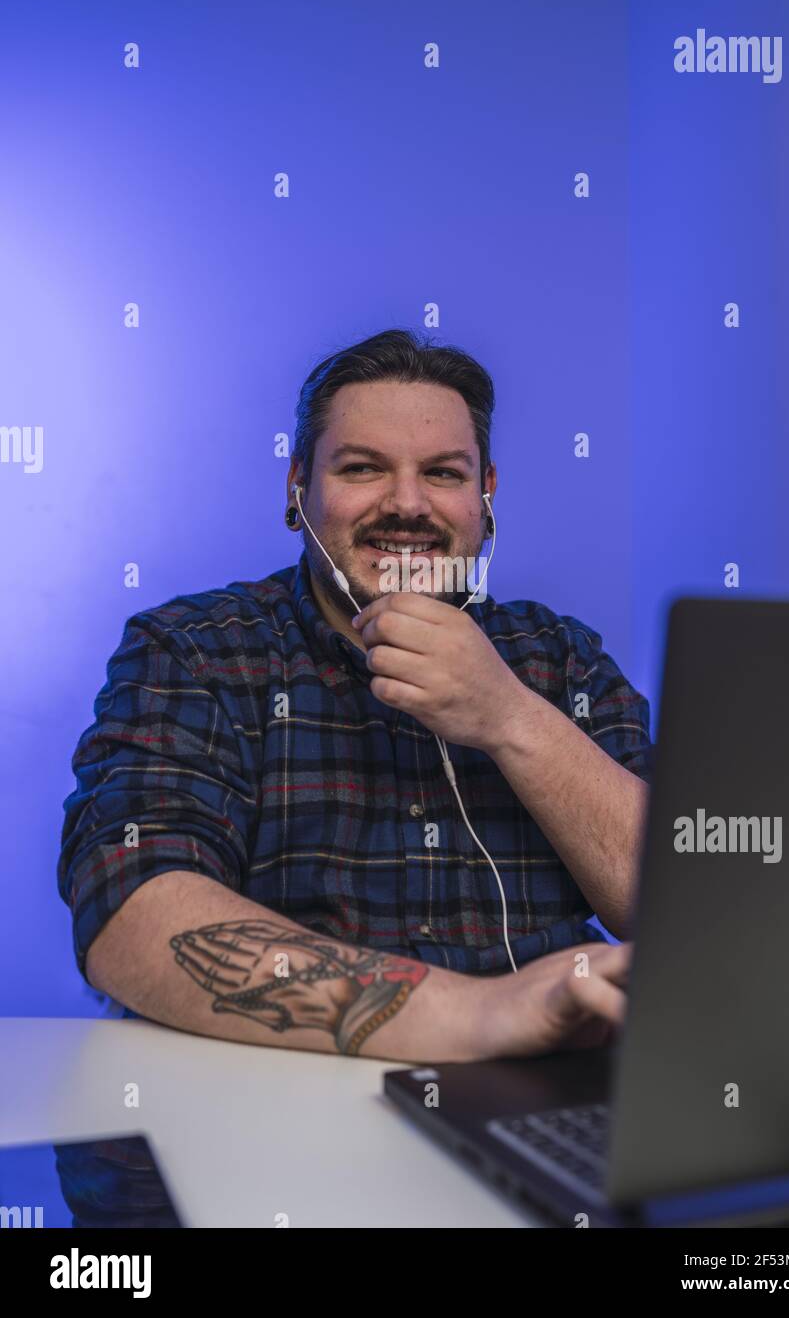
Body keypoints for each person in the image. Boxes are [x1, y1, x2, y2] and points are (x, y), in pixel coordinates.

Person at [58, 328, 652, 1064]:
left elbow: (691, 910)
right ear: (297, 488)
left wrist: (510, 717)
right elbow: (131, 913)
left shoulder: (564, 660)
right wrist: (476, 1013)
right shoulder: (195, 651)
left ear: (485, 495)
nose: (407, 505)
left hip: (557, 1101)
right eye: (363, 467)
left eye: (443, 474)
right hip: (279, 1111)